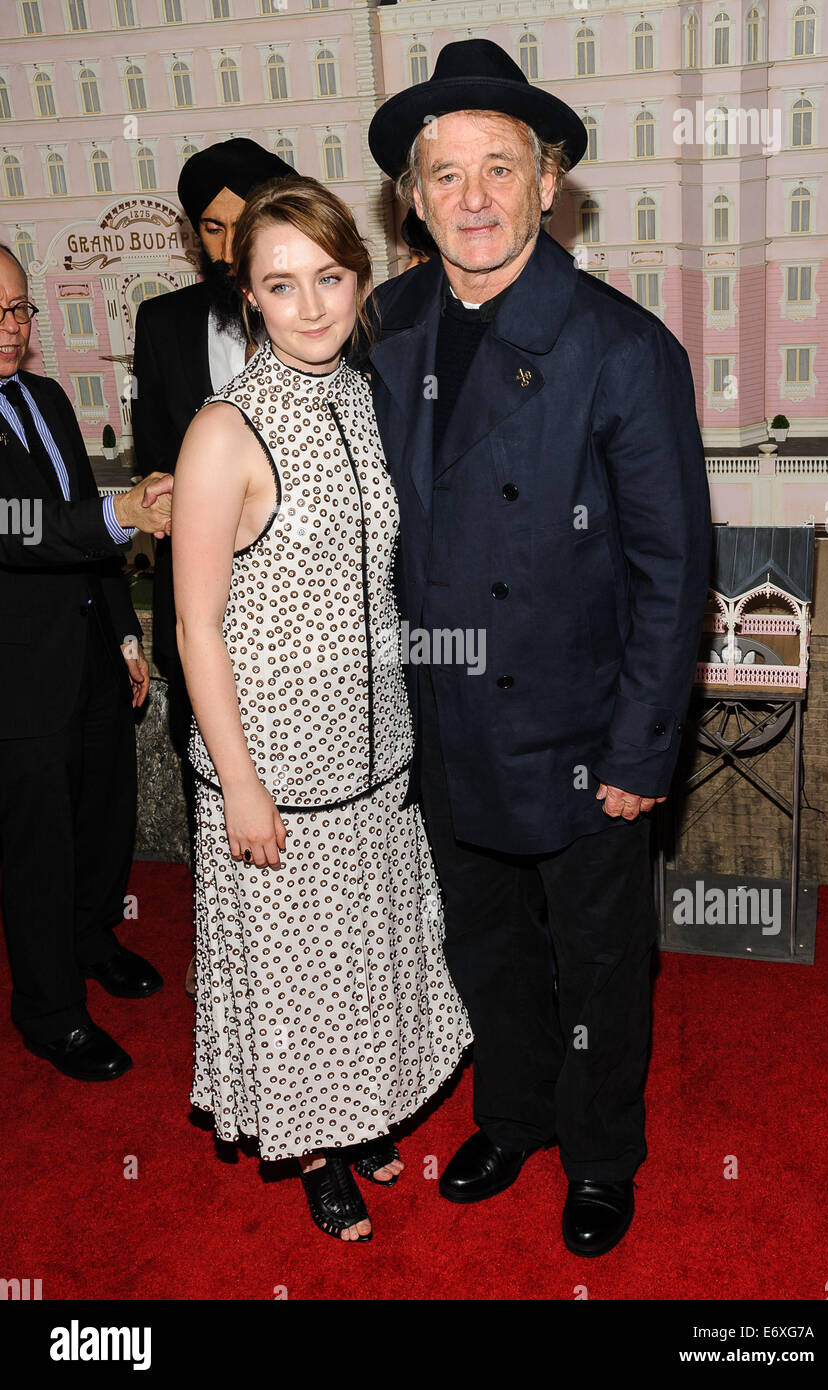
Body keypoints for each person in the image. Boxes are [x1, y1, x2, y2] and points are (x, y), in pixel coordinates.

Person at [364, 40, 713, 1257]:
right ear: (411, 197)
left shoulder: (621, 347)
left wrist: (641, 749)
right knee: (485, 940)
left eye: (498, 169)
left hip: (579, 732)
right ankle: (511, 1114)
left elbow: (676, 572)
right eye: (445, 173)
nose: (472, 198)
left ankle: (602, 1151)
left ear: (548, 182)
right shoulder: (386, 325)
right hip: (444, 721)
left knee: (602, 962)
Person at [170, 177, 471, 1243]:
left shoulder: (364, 393)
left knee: (365, 953)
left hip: (377, 751)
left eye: (330, 278)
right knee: (298, 977)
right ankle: (313, 1148)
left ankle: (361, 1111)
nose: (311, 307)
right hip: (278, 769)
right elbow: (195, 625)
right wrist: (240, 784)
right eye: (281, 285)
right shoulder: (224, 431)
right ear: (247, 296)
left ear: (359, 276)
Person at [0, 244, 173, 1081]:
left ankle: (93, 936)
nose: (13, 327)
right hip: (16, 681)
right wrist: (124, 510)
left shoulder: (46, 396)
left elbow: (81, 533)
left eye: (21, 309)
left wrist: (125, 636)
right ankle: (49, 1011)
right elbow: (22, 529)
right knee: (36, 848)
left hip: (91, 653)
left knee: (105, 809)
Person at [132, 138, 300, 996]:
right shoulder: (162, 323)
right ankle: (226, 953)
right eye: (213, 228)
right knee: (213, 782)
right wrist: (168, 484)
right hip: (204, 596)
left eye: (247, 223)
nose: (232, 244)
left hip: (303, 615)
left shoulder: (317, 309)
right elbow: (153, 451)